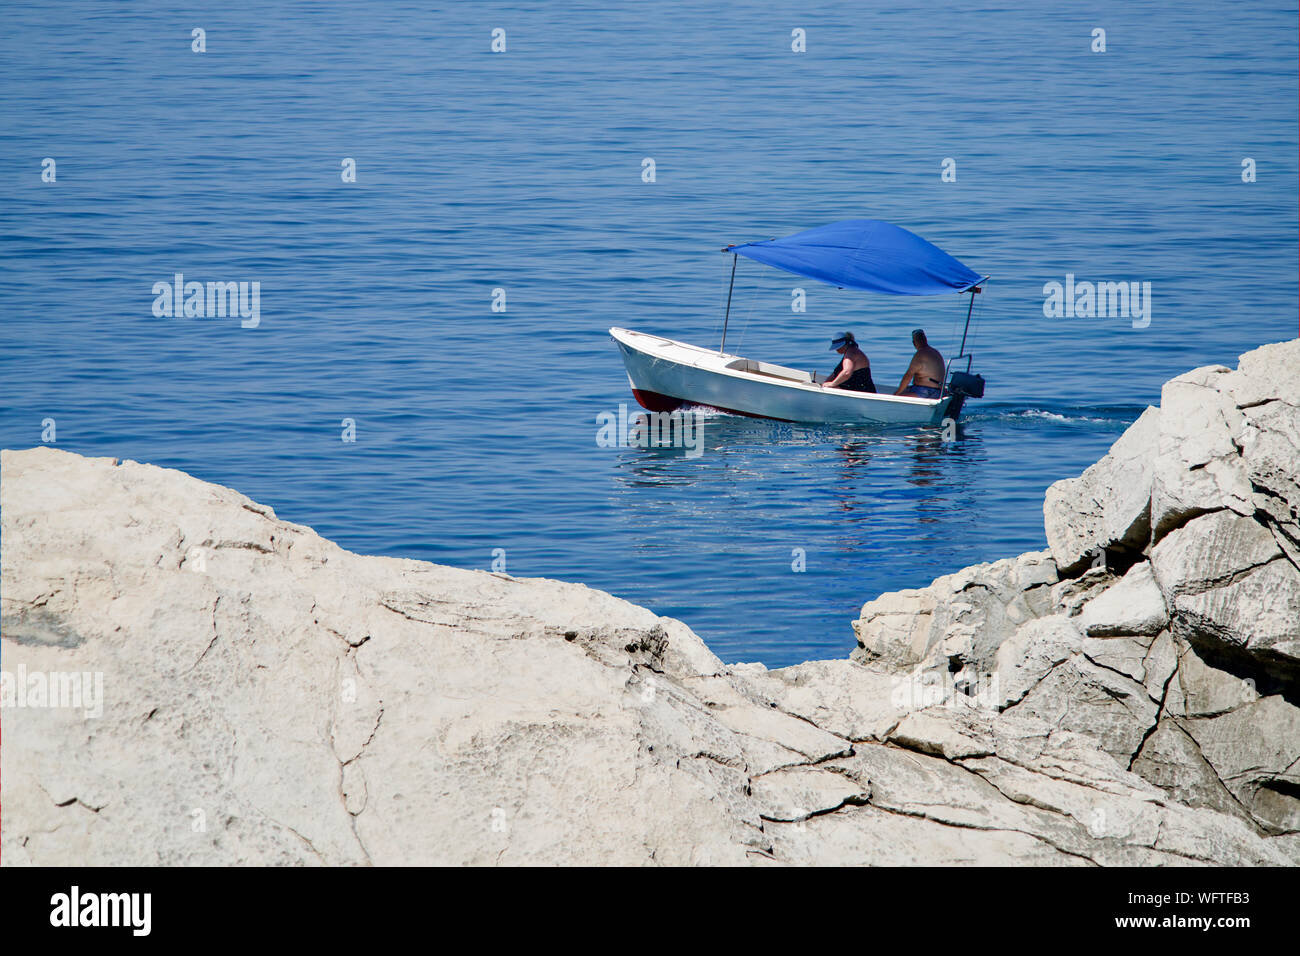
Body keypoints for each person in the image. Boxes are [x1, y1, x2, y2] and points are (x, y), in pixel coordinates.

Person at [894, 329, 945, 398]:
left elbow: (908, 376)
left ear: (914, 343)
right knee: (906, 389)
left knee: (899, 396)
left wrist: (898, 393)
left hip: (925, 391)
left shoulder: (920, 354)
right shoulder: (936, 352)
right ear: (925, 339)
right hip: (939, 392)